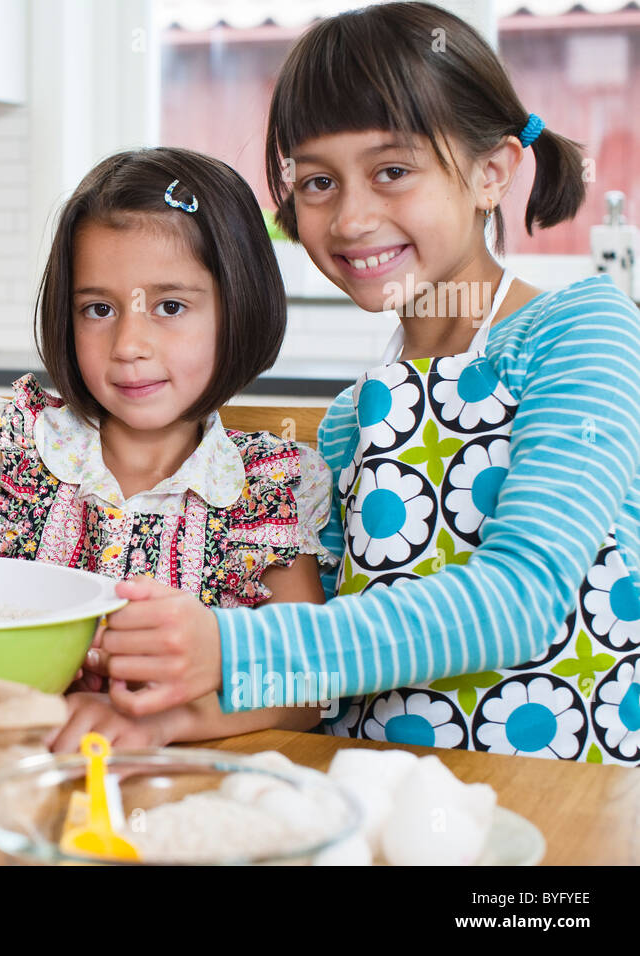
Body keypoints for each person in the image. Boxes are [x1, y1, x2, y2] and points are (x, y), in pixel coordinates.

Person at [93, 2, 640, 765]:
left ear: (493, 171)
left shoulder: (581, 332)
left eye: (392, 171)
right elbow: (326, 673)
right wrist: (173, 721)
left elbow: (522, 598)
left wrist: (226, 643)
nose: (350, 218)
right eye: (317, 182)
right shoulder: (352, 418)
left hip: (562, 804)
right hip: (376, 801)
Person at [0, 146, 336, 751]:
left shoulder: (270, 484)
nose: (128, 343)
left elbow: (305, 688)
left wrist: (161, 724)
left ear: (239, 307)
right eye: (98, 309)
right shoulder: (3, 445)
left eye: (170, 306)